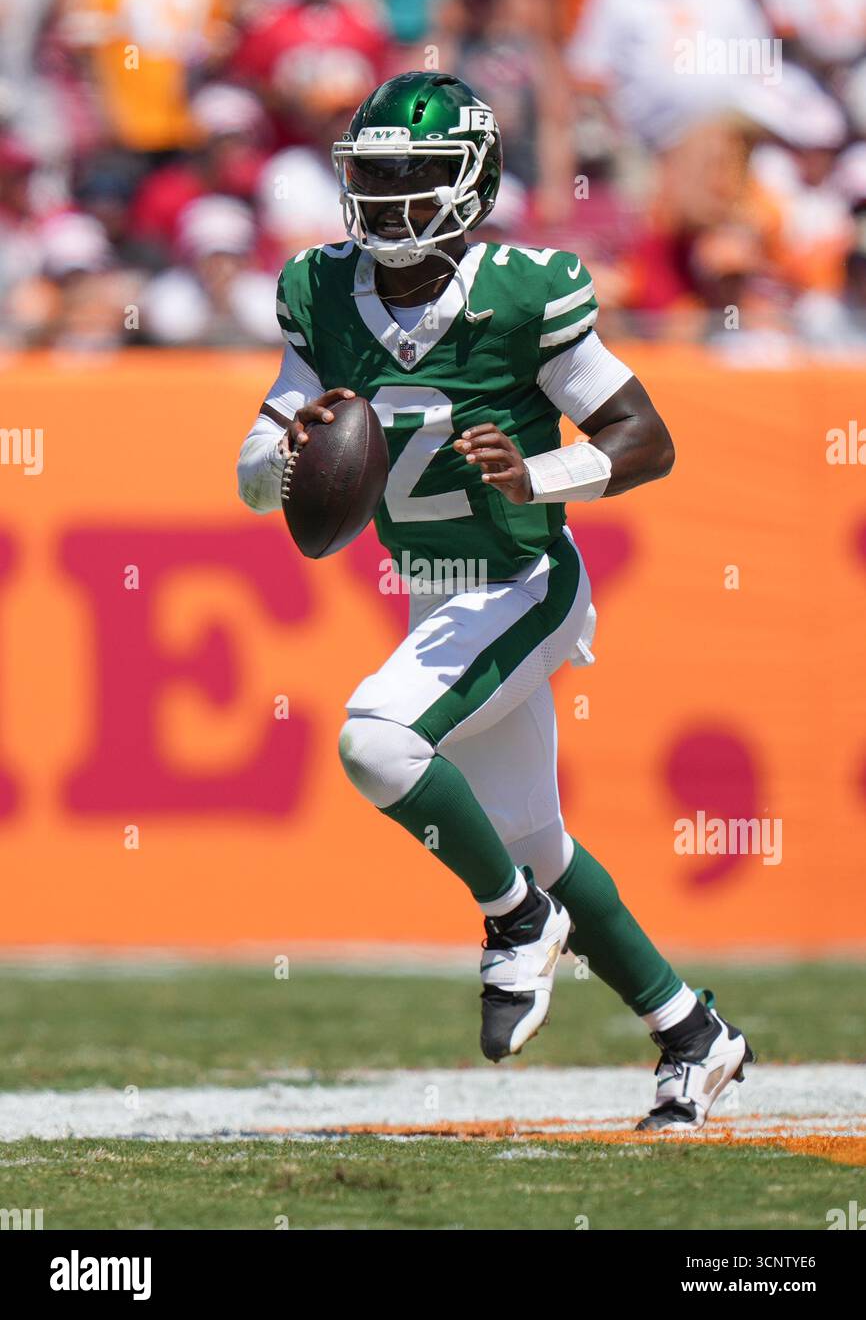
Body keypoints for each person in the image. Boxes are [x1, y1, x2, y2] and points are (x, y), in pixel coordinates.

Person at [236, 71, 755, 1131]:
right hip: (433, 594)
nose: (385, 200)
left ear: (469, 184)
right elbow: (255, 470)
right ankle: (690, 1032)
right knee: (537, 841)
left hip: (524, 578)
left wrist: (538, 475)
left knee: (377, 742)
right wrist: (279, 455)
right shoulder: (321, 292)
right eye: (371, 176)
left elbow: (642, 439)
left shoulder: (523, 289)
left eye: (412, 177)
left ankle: (515, 923)